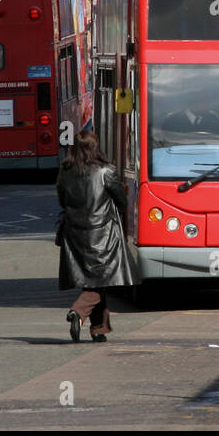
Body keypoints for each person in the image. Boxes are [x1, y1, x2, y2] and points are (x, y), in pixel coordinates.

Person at [57, 131, 138, 343]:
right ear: (95, 147)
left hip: (75, 233)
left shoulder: (65, 170)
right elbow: (121, 200)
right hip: (103, 234)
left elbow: (61, 199)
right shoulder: (106, 170)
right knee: (101, 281)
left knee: (93, 280)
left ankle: (98, 329)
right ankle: (78, 312)